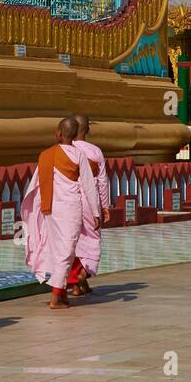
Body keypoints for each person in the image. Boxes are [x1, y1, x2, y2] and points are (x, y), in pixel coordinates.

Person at [21, 116, 100, 308]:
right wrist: (96, 212)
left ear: (58, 133)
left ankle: (61, 292)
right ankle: (55, 297)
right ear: (74, 135)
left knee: (60, 250)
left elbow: (35, 186)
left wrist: (34, 210)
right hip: (70, 208)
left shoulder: (46, 155)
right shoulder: (78, 155)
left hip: (49, 209)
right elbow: (89, 186)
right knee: (66, 251)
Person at [68, 114, 111, 295]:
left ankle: (77, 285)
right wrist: (105, 206)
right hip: (89, 202)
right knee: (92, 241)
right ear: (87, 130)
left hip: (68, 201)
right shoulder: (94, 151)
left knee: (72, 243)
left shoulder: (64, 151)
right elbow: (102, 181)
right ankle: (81, 276)